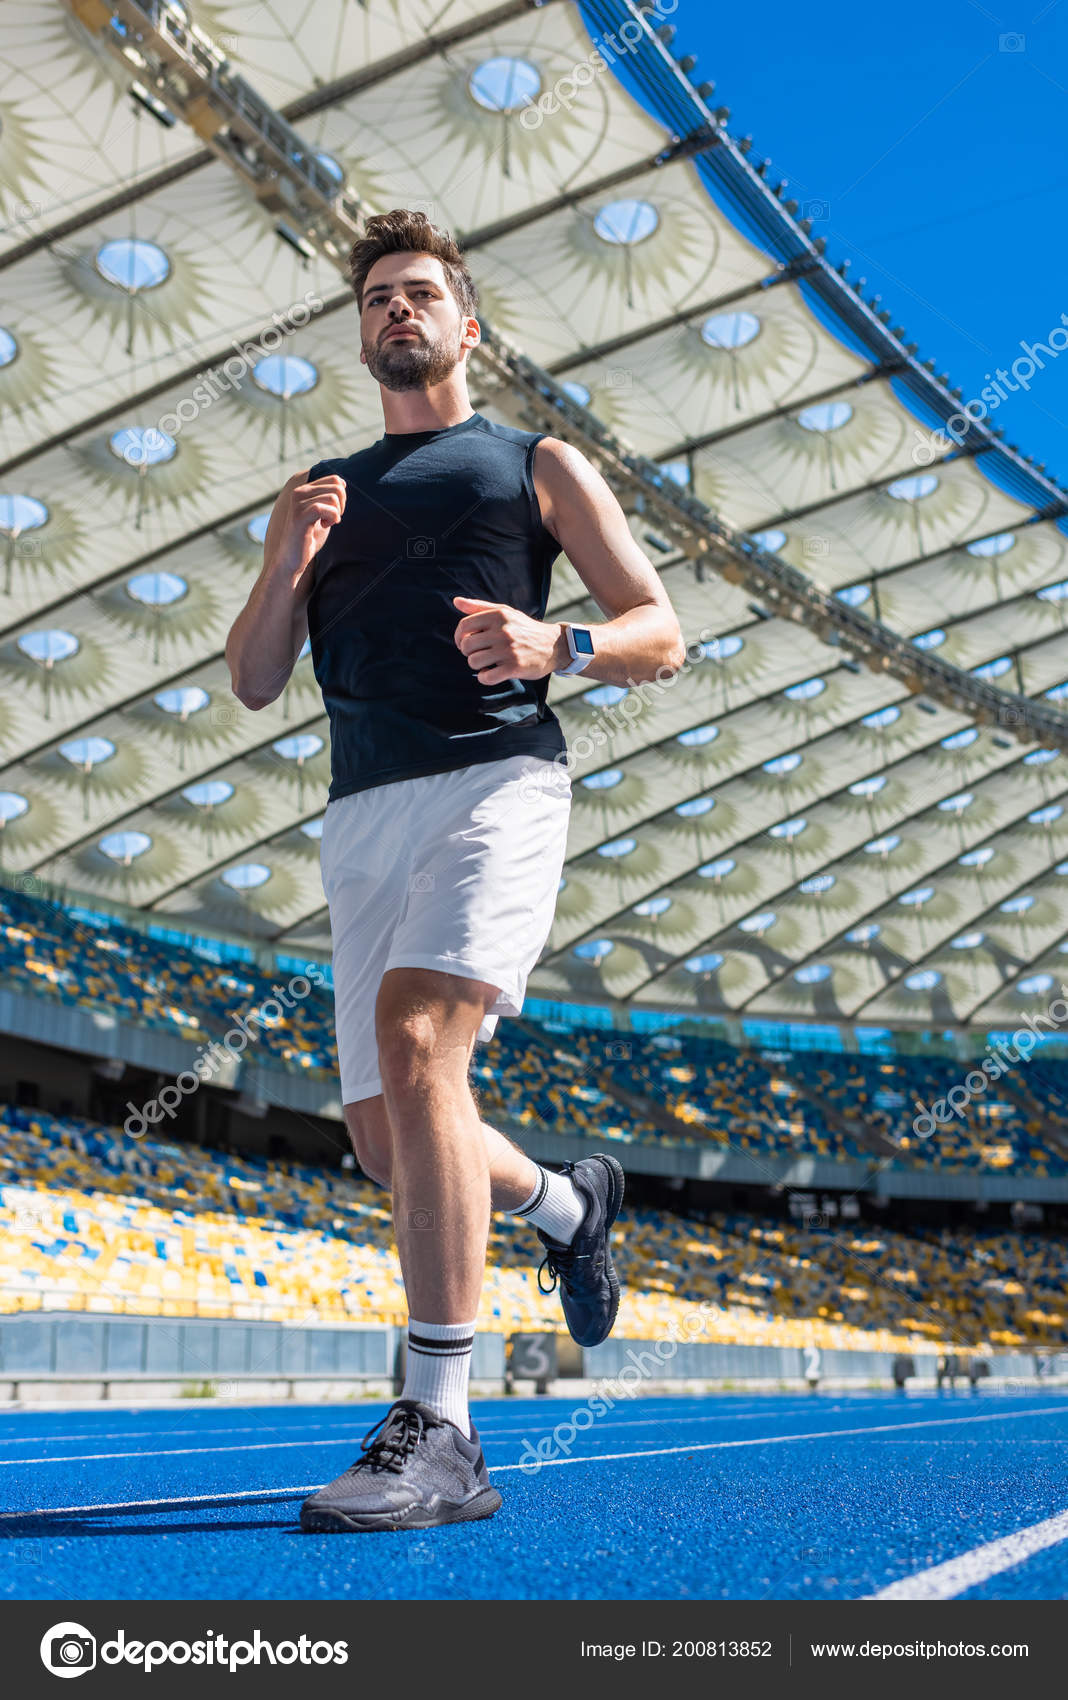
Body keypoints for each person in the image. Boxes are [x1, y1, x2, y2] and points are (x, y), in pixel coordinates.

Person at [226, 208, 685, 1532]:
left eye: (421, 293)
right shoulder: (322, 490)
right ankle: (563, 1200)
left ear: (465, 325)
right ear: (360, 330)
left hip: (499, 781)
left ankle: (443, 1425)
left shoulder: (533, 461)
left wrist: (564, 647)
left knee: (423, 1042)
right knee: (386, 1141)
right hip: (360, 811)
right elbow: (257, 682)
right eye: (377, 298)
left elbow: (662, 630)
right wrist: (281, 565)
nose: (397, 311)